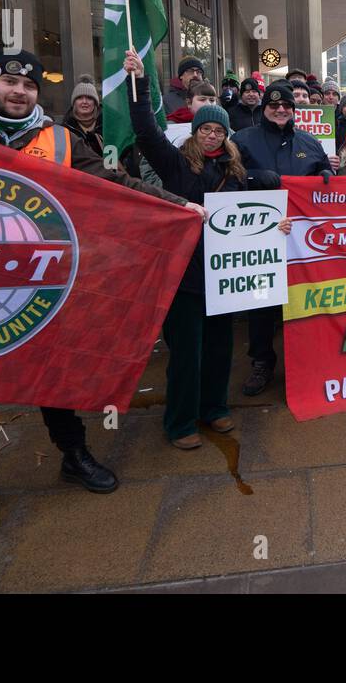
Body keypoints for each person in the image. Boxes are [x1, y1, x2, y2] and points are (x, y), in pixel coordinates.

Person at [0, 50, 195, 547]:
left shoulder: (57, 137)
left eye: (29, 86)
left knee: (51, 370)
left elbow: (113, 182)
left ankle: (73, 454)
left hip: (40, 281)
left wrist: (178, 205)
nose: (19, 92)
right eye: (9, 83)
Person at [125, 48, 269, 448]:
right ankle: (181, 422)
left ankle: (214, 408)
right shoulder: (174, 163)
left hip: (222, 276)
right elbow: (145, 132)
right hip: (183, 275)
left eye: (219, 131)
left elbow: (249, 219)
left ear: (226, 135)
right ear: (195, 130)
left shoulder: (235, 171)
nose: (212, 135)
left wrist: (275, 227)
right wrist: (139, 83)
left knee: (220, 348)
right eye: (206, 129)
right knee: (187, 353)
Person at [231, 83, 336, 394]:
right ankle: (262, 361)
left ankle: (306, 359)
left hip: (301, 239)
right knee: (262, 301)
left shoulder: (308, 141)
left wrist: (328, 176)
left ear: (293, 109)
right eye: (274, 105)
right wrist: (252, 177)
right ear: (264, 107)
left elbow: (322, 170)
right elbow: (225, 177)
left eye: (287, 105)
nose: (280, 110)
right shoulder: (242, 139)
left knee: (302, 296)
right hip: (260, 234)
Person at [63, 74, 104, 155]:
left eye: (89, 98)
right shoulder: (65, 129)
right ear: (74, 102)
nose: (84, 102)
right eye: (79, 98)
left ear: (95, 102)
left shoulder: (107, 125)